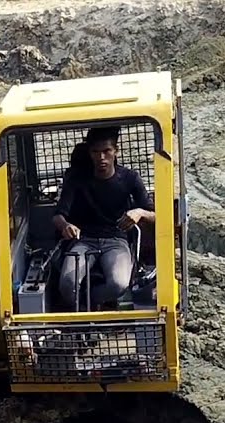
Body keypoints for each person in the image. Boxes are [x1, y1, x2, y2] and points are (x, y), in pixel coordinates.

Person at [51, 126, 155, 311]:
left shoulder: (130, 178)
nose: (101, 158)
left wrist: (139, 212)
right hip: (83, 241)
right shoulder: (77, 179)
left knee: (119, 284)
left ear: (116, 151)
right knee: (67, 283)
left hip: (116, 240)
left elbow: (156, 215)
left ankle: (89, 302)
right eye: (95, 152)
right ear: (89, 153)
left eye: (106, 151)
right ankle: (82, 311)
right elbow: (58, 215)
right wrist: (66, 226)